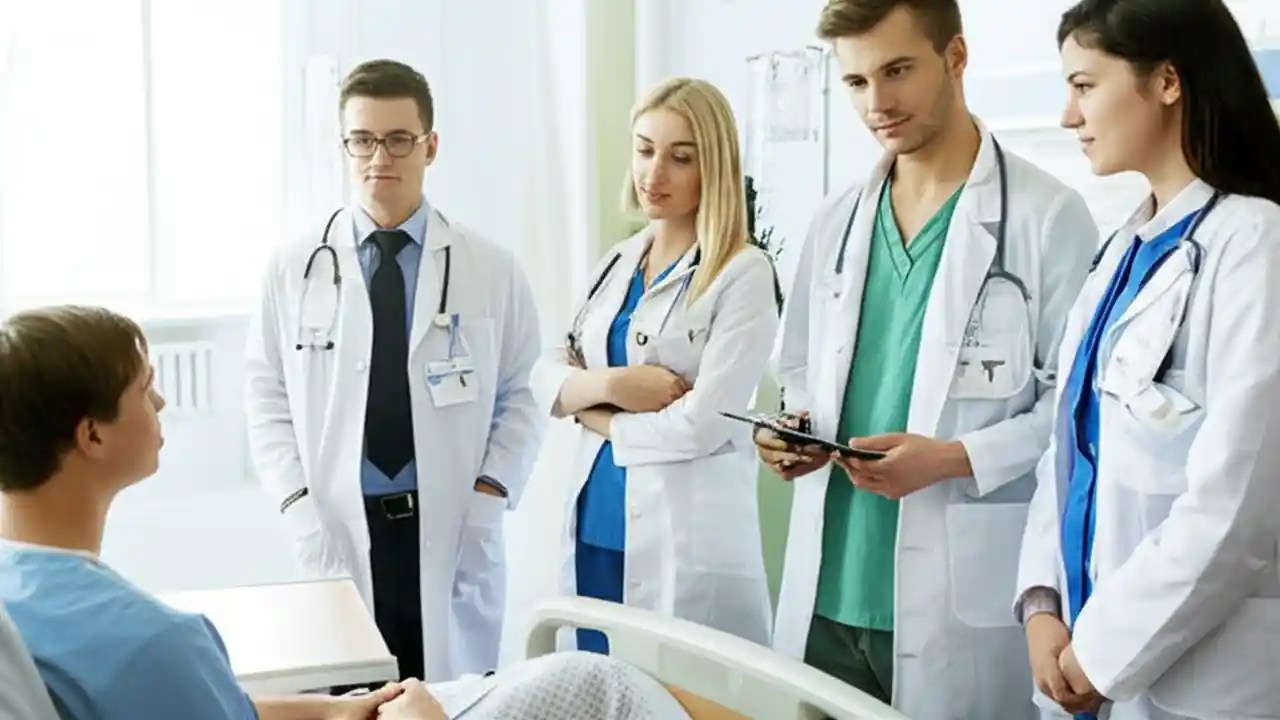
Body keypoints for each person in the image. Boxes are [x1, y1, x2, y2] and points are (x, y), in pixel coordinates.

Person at [755, 0, 1099, 717]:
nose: (876, 103)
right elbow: (799, 369)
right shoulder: (838, 218)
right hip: (829, 591)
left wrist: (950, 458)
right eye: (855, 83)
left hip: (958, 594)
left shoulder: (1047, 217)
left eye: (897, 71)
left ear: (957, 58)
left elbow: (1076, 418)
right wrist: (791, 432)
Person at [1015, 1, 1280, 718]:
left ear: (1167, 80)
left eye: (1084, 85)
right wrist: (1042, 601)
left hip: (1202, 680)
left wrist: (1100, 653)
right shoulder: (1121, 254)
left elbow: (1239, 505)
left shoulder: (1255, 245)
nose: (1069, 116)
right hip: (1079, 653)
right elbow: (1066, 454)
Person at [245, 59, 543, 682]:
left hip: (452, 522)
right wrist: (297, 503)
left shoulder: (490, 267)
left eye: (399, 139)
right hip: (337, 524)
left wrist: (490, 494)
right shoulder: (292, 267)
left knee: (447, 695)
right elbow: (265, 395)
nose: (379, 156)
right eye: (362, 139)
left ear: (430, 146)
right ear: (344, 145)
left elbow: (524, 393)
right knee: (350, 693)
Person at [0, 305, 404, 719]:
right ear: (93, 434)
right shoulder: (153, 643)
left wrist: (329, 712)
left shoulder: (21, 603)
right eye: (145, 388)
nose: (160, 402)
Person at [530, 77, 778, 653]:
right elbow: (545, 371)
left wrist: (592, 412)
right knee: (594, 690)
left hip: (681, 537)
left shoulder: (743, 273)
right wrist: (616, 384)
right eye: (644, 149)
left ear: (712, 166)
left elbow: (701, 423)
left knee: (671, 699)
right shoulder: (619, 259)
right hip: (596, 515)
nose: (653, 173)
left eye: (680, 157)